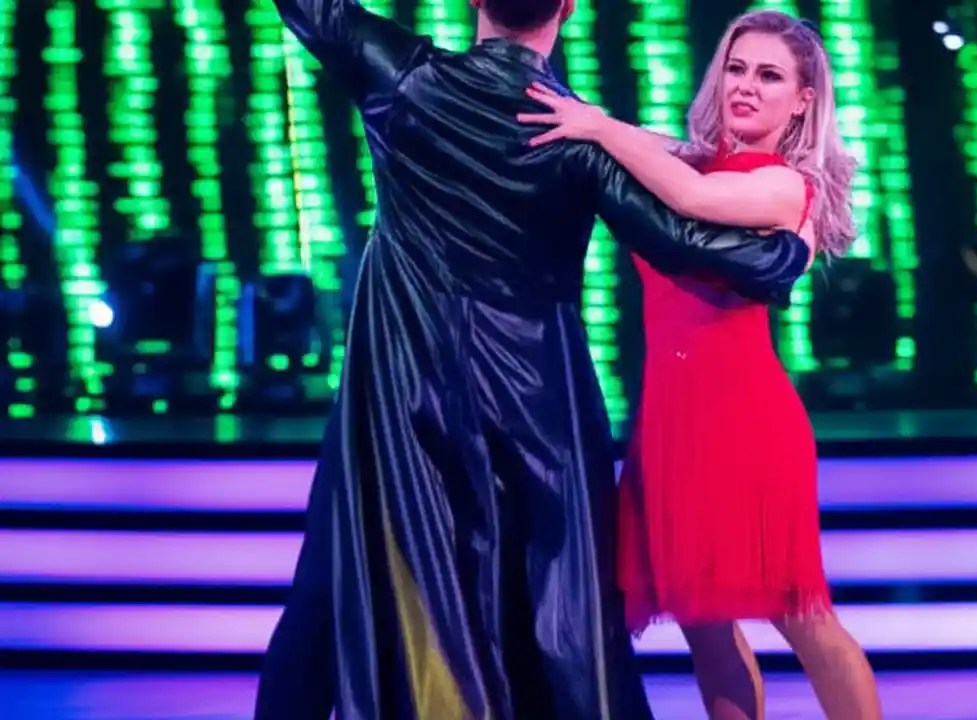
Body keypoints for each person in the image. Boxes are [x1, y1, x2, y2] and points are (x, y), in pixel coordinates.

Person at [257, 1, 812, 719]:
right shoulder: (575, 133)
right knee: (554, 607)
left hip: (400, 386)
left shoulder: (406, 77)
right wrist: (787, 248)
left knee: (331, 591)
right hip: (536, 400)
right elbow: (685, 241)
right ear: (571, 8)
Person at [517, 11, 883, 720]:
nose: (746, 86)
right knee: (701, 621)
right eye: (737, 68)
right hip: (668, 422)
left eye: (769, 75)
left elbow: (694, 202)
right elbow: (658, 159)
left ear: (803, 99)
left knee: (799, 613)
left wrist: (594, 125)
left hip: (746, 422)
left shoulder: (785, 185)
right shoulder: (683, 154)